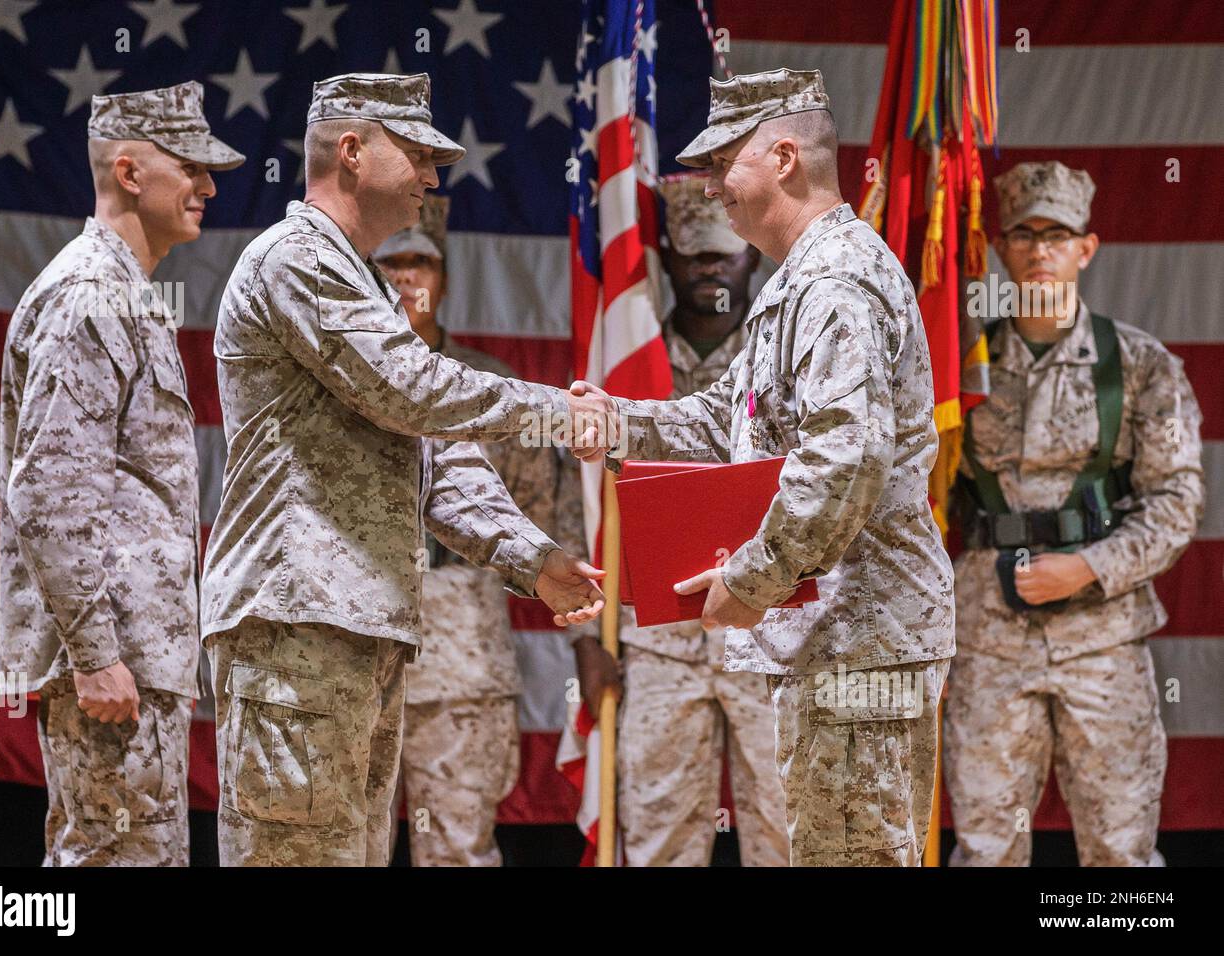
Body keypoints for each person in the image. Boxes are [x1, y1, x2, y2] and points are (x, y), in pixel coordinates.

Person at [201, 72, 605, 866]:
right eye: (416, 153)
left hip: (363, 630)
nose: (431, 175)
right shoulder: (296, 260)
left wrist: (533, 558)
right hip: (297, 631)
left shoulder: (368, 289)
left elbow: (441, 456)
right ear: (351, 151)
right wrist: (559, 410)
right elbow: (414, 389)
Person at [571, 68, 955, 866]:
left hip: (862, 643)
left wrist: (751, 580)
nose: (710, 187)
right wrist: (619, 422)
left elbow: (843, 457)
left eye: (721, 165)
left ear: (784, 158)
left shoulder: (838, 281)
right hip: (833, 639)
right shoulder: (800, 283)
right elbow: (730, 421)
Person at [0, 81, 244, 866]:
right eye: (192, 166)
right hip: (111, 667)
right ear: (132, 172)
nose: (208, 185)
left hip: (137, 659)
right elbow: (50, 495)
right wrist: (96, 653)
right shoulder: (90, 297)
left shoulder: (127, 293)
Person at [944, 160, 1204, 867]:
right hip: (989, 640)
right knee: (987, 851)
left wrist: (1088, 566)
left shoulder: (1140, 365)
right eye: (1023, 234)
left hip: (1103, 640)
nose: (1038, 250)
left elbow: (1177, 501)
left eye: (1057, 234)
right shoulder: (962, 366)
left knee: (1120, 854)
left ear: (1086, 247)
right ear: (1000, 248)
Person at [575, 174, 786, 866]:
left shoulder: (785, 363)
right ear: (667, 258)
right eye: (694, 256)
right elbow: (571, 499)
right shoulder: (628, 358)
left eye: (723, 255)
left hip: (767, 634)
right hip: (656, 640)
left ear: (751, 258)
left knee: (784, 834)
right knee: (660, 838)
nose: (709, 269)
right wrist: (586, 637)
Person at [374, 195, 556, 866]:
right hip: (353, 652)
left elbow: (536, 518)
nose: (405, 279)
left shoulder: (492, 388)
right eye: (388, 264)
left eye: (420, 262)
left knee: (458, 851)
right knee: (335, 847)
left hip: (461, 659)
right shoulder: (332, 383)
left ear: (444, 276)